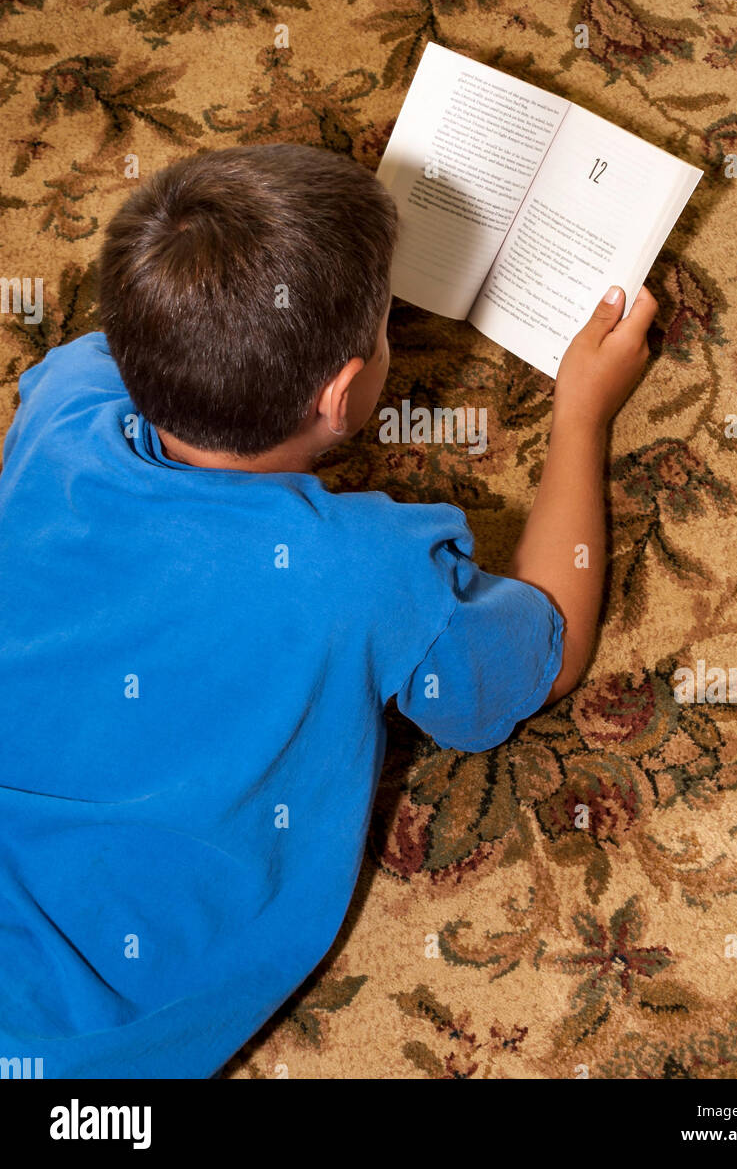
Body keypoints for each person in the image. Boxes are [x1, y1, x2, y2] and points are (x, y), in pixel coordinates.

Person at [0, 143, 657, 1078]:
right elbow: (549, 643)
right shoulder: (365, 571)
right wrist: (581, 412)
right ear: (344, 395)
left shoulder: (65, 399)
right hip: (63, 1041)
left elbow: (152, 333)